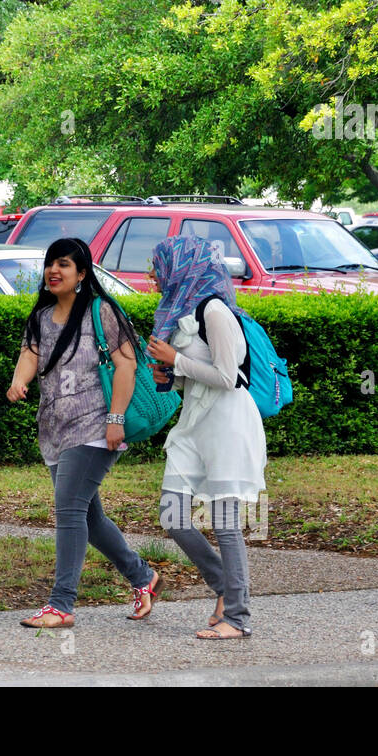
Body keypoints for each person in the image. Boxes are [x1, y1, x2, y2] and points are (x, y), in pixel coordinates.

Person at [7, 237, 162, 628]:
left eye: (63, 265)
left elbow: (126, 365)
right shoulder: (41, 316)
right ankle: (143, 577)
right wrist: (18, 382)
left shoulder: (101, 311)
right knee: (89, 518)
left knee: (69, 511)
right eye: (50, 264)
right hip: (55, 427)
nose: (53, 271)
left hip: (95, 425)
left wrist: (115, 420)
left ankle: (61, 605)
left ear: (81, 273)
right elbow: (31, 353)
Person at [144, 235, 266, 639]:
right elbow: (195, 375)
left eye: (160, 266)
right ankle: (223, 588)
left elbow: (229, 378)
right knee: (173, 514)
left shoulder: (214, 310)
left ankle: (237, 617)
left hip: (228, 424)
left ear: (183, 265)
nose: (154, 275)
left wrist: (174, 360)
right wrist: (171, 375)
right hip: (194, 424)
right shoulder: (181, 311)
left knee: (227, 523)